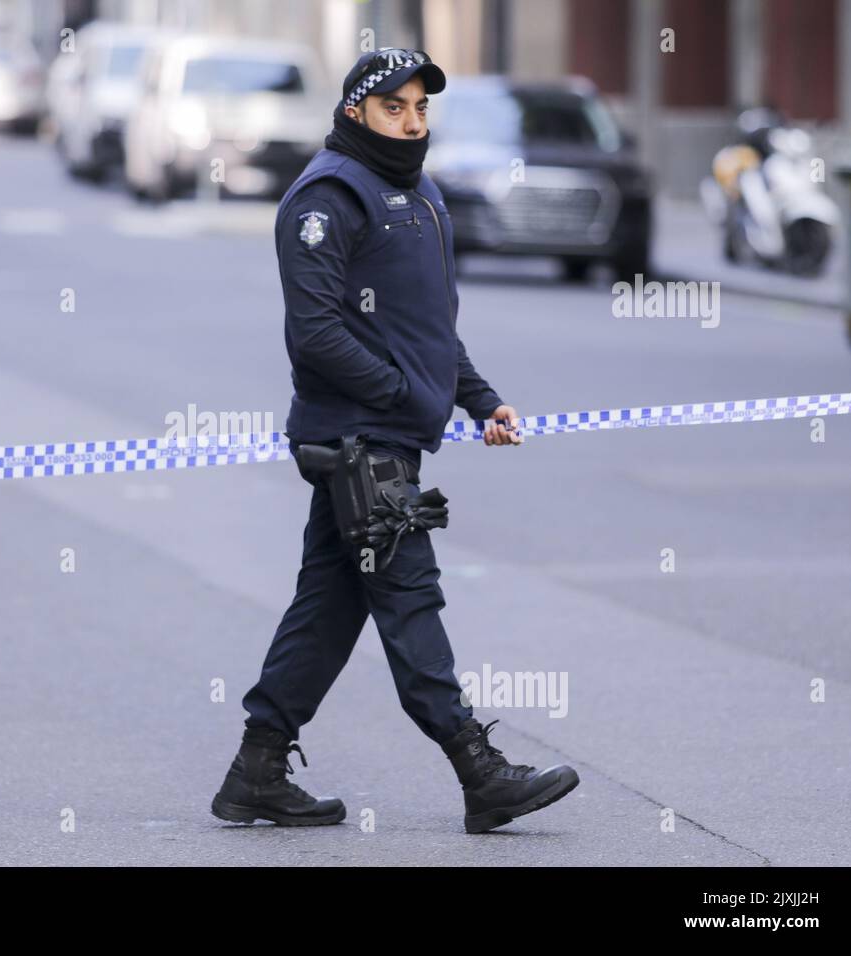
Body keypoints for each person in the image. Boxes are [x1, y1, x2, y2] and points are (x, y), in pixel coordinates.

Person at [211, 48, 579, 834]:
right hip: (356, 442)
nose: (411, 123)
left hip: (390, 433)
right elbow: (316, 336)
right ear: (354, 112)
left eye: (420, 109)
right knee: (410, 596)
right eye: (393, 109)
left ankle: (257, 770)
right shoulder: (327, 198)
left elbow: (426, 331)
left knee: (330, 605)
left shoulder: (420, 192)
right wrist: (412, 396)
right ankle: (479, 772)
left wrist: (478, 399)